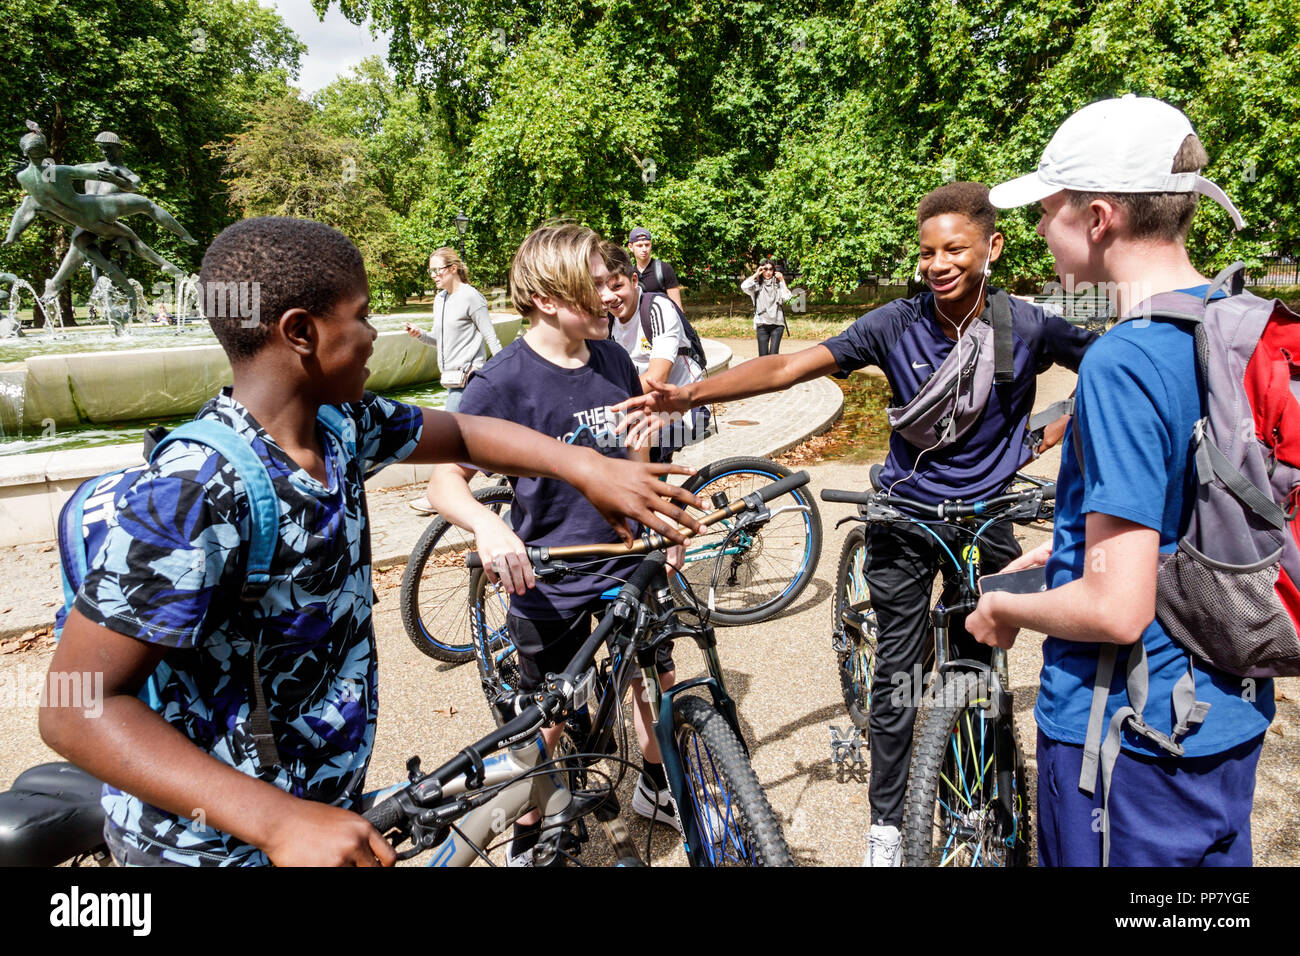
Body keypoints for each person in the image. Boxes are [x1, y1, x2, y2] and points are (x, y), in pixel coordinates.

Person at [36, 216, 702, 867]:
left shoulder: (341, 424)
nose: (374, 333)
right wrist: (277, 822)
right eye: (360, 316)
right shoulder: (195, 492)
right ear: (300, 332)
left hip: (321, 805)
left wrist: (587, 466)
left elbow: (466, 435)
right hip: (215, 843)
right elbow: (76, 708)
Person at [618, 182, 1097, 865]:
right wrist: (687, 392)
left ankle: (982, 796)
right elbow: (786, 365)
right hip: (904, 518)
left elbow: (1110, 368)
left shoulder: (1028, 325)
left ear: (992, 247)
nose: (939, 263)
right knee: (899, 676)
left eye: (955, 248)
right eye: (928, 251)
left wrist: (1060, 425)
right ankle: (887, 828)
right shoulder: (894, 324)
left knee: (979, 661)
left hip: (987, 517)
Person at [968, 95, 1275, 866]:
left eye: (1048, 209)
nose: (1039, 229)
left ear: (1098, 217)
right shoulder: (1228, 320)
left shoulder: (1123, 360)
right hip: (1227, 713)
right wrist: (1070, 552)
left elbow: (1117, 608)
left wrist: (1002, 605)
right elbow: (1188, 510)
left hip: (1126, 738)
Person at [423, 223, 692, 864]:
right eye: (593, 287)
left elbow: (636, 449)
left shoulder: (613, 359)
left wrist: (661, 522)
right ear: (548, 298)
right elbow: (442, 481)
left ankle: (656, 786)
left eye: (610, 284)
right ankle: (532, 832)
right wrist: (490, 526)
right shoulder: (500, 383)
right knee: (549, 718)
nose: (612, 298)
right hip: (550, 575)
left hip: (625, 560)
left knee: (654, 678)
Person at [599, 241, 708, 462]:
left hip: (686, 410)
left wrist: (606, 400)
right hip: (648, 408)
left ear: (634, 280)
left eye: (617, 286)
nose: (608, 297)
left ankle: (648, 496)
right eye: (600, 288)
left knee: (635, 442)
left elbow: (657, 377)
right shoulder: (608, 319)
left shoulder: (657, 308)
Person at [404, 247, 503, 413]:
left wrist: (505, 374)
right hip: (450, 379)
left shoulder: (471, 296)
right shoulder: (439, 300)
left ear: (453, 268)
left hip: (470, 378)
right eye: (430, 271)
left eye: (437, 270)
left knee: (450, 427)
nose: (433, 275)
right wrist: (420, 334)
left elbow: (491, 338)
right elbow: (440, 341)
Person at [627, 226, 684, 313]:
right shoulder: (629, 274)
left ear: (651, 245)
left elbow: (677, 306)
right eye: (639, 246)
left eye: (647, 245)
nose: (644, 249)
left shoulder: (664, 269)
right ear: (631, 247)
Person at [741, 259, 792, 355]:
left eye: (770, 269)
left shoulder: (778, 284)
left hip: (777, 323)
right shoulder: (756, 286)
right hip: (762, 323)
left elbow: (787, 297)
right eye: (765, 269)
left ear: (774, 271)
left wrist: (782, 280)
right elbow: (744, 286)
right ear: (762, 270)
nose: (768, 272)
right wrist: (756, 274)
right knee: (763, 356)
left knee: (773, 355)